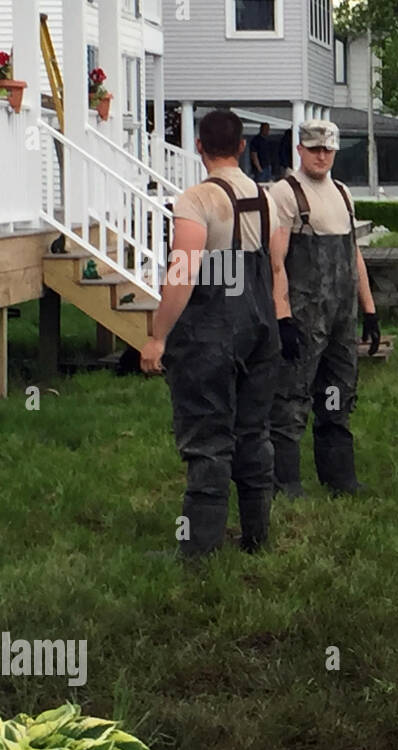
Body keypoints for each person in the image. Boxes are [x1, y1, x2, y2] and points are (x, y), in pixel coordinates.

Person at [138, 110, 282, 557]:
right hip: (261, 323)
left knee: (207, 439)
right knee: (253, 432)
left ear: (199, 146)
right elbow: (275, 266)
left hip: (211, 331)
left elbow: (183, 271)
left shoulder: (196, 200)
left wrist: (158, 335)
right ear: (242, 147)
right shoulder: (266, 196)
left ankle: (198, 551)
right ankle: (256, 537)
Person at [267, 120, 381, 498]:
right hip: (302, 317)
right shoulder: (284, 194)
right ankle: (286, 483)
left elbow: (354, 255)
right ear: (299, 149)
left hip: (340, 319)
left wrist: (370, 309)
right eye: (314, 149)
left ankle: (339, 477)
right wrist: (282, 317)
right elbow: (276, 263)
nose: (321, 156)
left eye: (327, 150)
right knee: (292, 398)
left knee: (338, 392)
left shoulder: (344, 194)